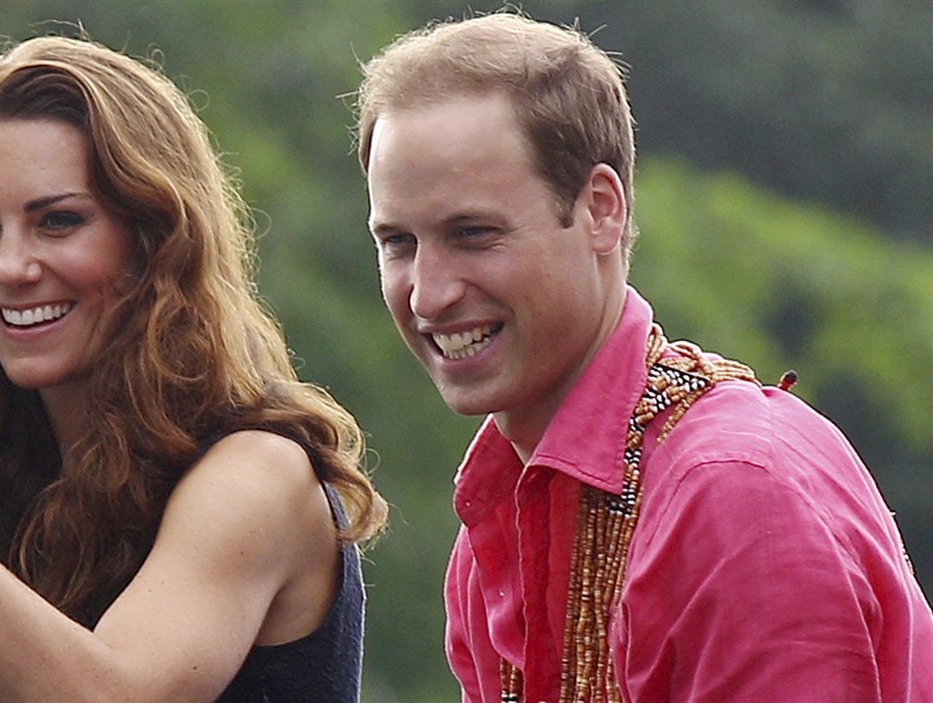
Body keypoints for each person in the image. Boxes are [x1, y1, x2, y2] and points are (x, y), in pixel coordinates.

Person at [355, 11, 932, 703]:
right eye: (398, 243)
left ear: (601, 209)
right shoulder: (501, 503)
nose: (429, 292)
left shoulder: (735, 492)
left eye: (473, 233)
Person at [0, 34, 386, 702]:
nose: (11, 267)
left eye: (58, 220)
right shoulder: (48, 509)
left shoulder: (255, 473)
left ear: (156, 239)